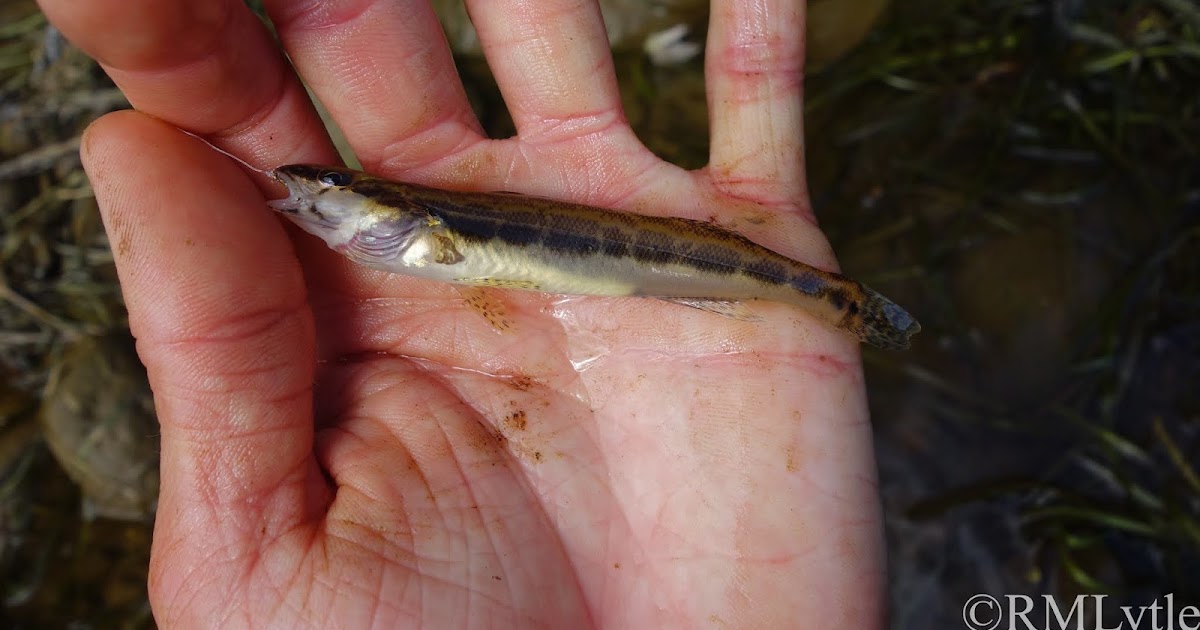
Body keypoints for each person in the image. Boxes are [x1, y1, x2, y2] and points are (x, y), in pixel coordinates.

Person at [38, 0, 884, 626]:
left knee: (736, 273)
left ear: (394, 215)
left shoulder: (421, 235)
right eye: (323, 197)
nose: (316, 201)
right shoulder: (408, 234)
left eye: (335, 197)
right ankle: (841, 304)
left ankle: (840, 305)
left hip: (676, 261)